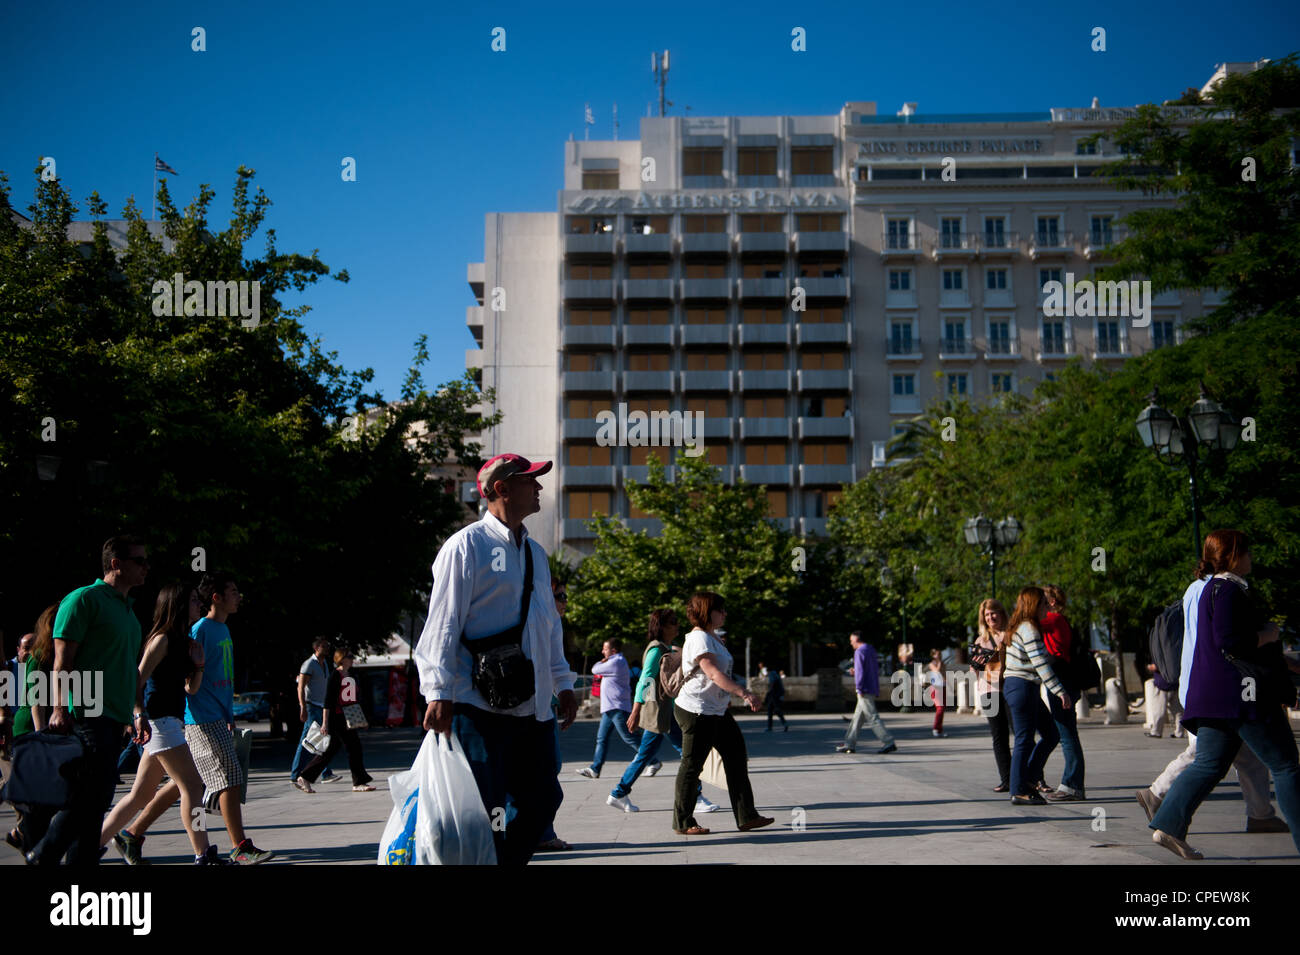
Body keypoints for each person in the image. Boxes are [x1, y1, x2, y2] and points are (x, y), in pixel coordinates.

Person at [415, 452, 577, 866]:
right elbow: (443, 624)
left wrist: (562, 681)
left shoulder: (536, 554)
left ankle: (504, 859)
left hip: (531, 707)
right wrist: (438, 691)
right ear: (501, 489)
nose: (539, 488)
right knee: (491, 809)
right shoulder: (466, 546)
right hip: (477, 706)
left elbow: (548, 625)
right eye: (530, 481)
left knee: (544, 799)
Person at [1149, 530, 1300, 860]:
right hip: (1240, 696)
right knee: (1286, 765)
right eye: (1246, 552)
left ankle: (1168, 825)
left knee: (1209, 764)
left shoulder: (1208, 591)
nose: (1251, 557)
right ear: (1233, 556)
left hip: (1213, 696)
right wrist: (1268, 634)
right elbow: (1230, 641)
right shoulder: (1230, 590)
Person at [22, 535, 148, 865]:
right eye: (140, 561)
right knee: (88, 798)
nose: (146, 568)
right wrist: (60, 708)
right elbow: (62, 660)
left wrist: (137, 710)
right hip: (87, 712)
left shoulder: (129, 613)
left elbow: (129, 670)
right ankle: (42, 856)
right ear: (116, 564)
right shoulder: (83, 600)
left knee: (97, 799)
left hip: (114, 718)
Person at [100, 584, 233, 865]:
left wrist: (199, 665)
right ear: (179, 605)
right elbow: (138, 677)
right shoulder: (161, 639)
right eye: (195, 601)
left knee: (141, 794)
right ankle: (202, 853)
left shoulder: (186, 643)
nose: (200, 605)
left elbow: (191, 690)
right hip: (158, 722)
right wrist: (137, 714)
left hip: (171, 722)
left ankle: (96, 844)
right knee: (193, 785)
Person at [183, 572, 273, 864]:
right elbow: (190, 677)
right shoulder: (201, 630)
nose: (238, 596)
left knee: (185, 784)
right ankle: (240, 847)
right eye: (233, 591)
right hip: (200, 718)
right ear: (216, 598)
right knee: (230, 778)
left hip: (217, 718)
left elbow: (224, 678)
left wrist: (228, 714)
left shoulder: (224, 630)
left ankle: (132, 833)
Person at [671, 591, 773, 836]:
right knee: (692, 765)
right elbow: (714, 674)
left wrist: (726, 698)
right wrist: (745, 693)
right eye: (721, 609)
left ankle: (747, 816)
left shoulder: (712, 637)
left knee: (736, 757)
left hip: (715, 710)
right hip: (696, 710)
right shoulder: (699, 639)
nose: (725, 613)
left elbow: (717, 679)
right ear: (708, 611)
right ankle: (683, 822)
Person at [606, 609, 682, 812]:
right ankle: (618, 792)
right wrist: (635, 710)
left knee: (683, 752)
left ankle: (619, 793)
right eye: (673, 622)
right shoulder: (656, 650)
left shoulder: (665, 648)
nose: (677, 625)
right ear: (662, 626)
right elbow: (645, 680)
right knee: (655, 754)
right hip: (657, 712)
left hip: (666, 710)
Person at [1002, 586, 1070, 806]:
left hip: (1024, 687)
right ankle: (1019, 789)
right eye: (1043, 603)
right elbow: (1040, 664)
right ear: (1034, 605)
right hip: (1021, 686)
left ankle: (1029, 778)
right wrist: (1060, 691)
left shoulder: (1023, 627)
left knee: (1050, 733)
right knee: (1024, 739)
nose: (1047, 607)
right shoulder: (1029, 629)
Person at [5, 611, 55, 853]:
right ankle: (26, 834)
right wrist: (40, 735)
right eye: (24, 647)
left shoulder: (46, 657)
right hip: (27, 728)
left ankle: (24, 834)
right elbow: (37, 701)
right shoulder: (37, 659)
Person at [295, 649, 376, 792]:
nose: (352, 659)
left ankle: (305, 777)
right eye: (349, 657)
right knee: (352, 748)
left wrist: (360, 717)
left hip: (348, 717)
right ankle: (358, 782)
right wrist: (325, 723)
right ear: (342, 659)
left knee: (334, 749)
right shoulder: (335, 675)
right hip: (336, 718)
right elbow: (328, 701)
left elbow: (354, 698)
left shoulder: (351, 674)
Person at [534, 579, 573, 852]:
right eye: (560, 596)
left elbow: (557, 662)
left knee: (550, 773)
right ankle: (510, 834)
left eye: (565, 595)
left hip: (542, 709)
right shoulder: (519, 615)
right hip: (505, 709)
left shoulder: (552, 621)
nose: (564, 601)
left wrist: (566, 692)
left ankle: (540, 833)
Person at [1040, 584, 1086, 801]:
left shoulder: (1053, 619)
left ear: (1050, 602)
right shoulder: (1057, 620)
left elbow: (1028, 625)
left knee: (1067, 735)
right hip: (1065, 678)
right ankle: (1072, 784)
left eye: (1041, 599)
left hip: (1061, 678)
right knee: (1068, 733)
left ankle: (1072, 785)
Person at [577, 638, 641, 779]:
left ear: (613, 651)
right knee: (602, 739)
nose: (602, 651)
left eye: (605, 649)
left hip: (617, 707)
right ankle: (595, 768)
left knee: (628, 738)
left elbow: (595, 669)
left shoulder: (616, 661)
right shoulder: (616, 661)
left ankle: (651, 760)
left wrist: (603, 661)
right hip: (610, 707)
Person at [972, 599, 1011, 792]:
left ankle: (1034, 777)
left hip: (1011, 688)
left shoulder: (1010, 635)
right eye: (987, 615)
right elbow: (975, 670)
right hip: (988, 691)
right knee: (999, 736)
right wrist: (977, 663)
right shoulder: (981, 640)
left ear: (1002, 613)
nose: (990, 617)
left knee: (1022, 734)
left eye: (993, 613)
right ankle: (1008, 779)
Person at [837, 631, 896, 754]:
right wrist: (857, 671)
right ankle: (849, 743)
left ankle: (888, 741)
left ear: (857, 640)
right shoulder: (870, 649)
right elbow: (868, 669)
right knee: (857, 717)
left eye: (852, 641)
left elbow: (861, 672)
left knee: (872, 717)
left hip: (864, 688)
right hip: (872, 686)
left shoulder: (859, 652)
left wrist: (859, 687)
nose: (851, 643)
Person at [289, 637, 336, 784]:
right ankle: (301, 773)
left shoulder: (325, 664)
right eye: (324, 646)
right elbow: (301, 687)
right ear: (316, 648)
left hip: (321, 706)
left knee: (317, 739)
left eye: (328, 646)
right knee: (312, 739)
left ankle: (321, 772)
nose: (327, 648)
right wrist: (302, 707)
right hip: (311, 706)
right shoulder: (309, 664)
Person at [927, 648, 947, 737]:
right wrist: (939, 663)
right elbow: (937, 671)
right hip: (935, 688)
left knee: (942, 709)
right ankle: (935, 728)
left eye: (940, 654)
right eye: (937, 655)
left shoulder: (943, 664)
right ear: (933, 655)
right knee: (940, 708)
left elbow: (943, 674)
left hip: (942, 686)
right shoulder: (931, 664)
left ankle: (940, 729)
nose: (939, 656)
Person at [764, 665, 787, 731]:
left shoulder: (772, 674)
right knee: (773, 710)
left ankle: (770, 727)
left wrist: (769, 692)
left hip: (774, 695)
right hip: (777, 694)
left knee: (772, 710)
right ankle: (783, 723)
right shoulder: (776, 674)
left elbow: (772, 683)